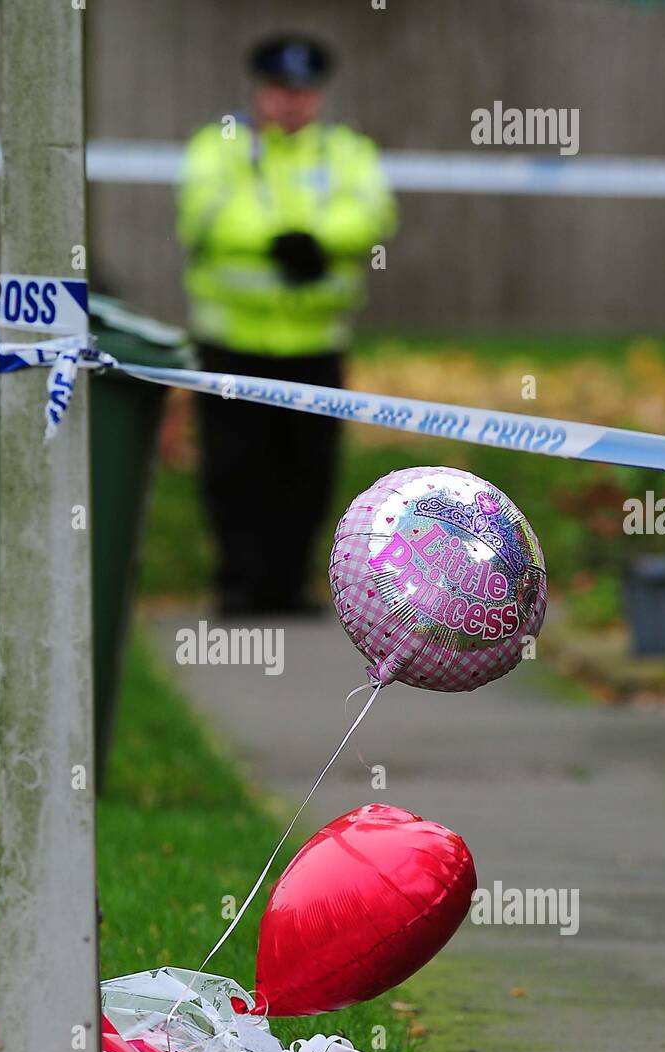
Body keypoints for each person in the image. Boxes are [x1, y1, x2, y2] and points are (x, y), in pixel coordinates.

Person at [177, 34, 398, 616]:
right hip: (232, 341)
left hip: (315, 343)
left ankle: (290, 586)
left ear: (319, 96)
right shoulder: (219, 144)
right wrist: (279, 242)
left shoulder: (347, 150)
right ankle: (238, 585)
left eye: (302, 91)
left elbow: (373, 210)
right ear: (257, 89)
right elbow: (204, 211)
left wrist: (319, 242)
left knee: (307, 472)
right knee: (233, 468)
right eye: (278, 89)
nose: (290, 102)